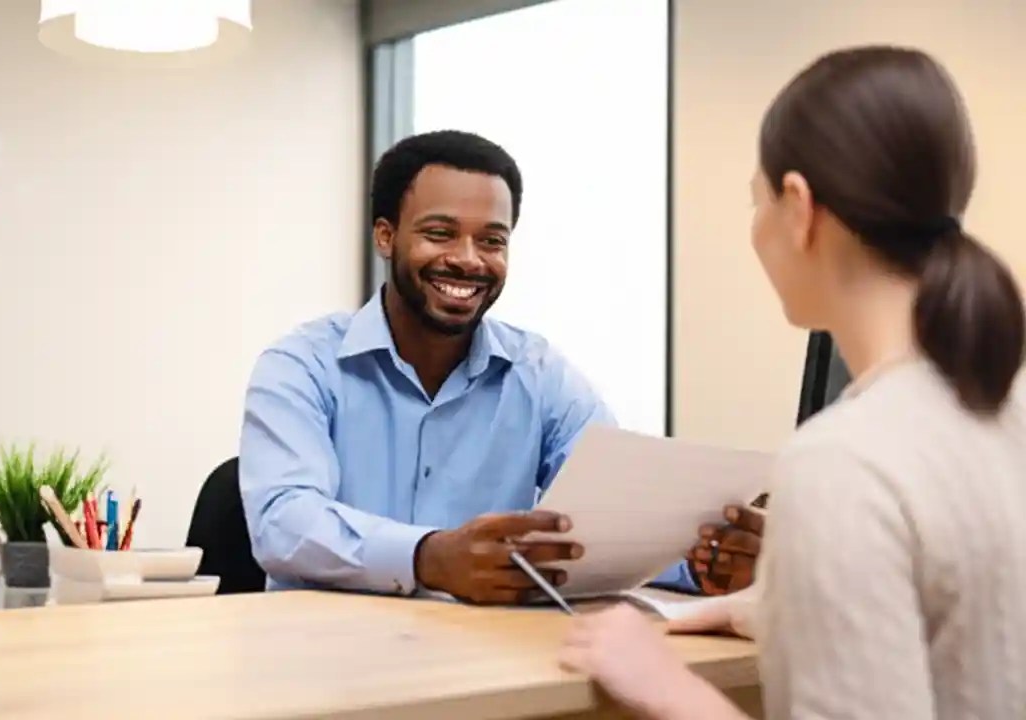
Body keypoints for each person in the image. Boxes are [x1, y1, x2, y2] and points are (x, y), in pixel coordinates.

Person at [559, 45, 1026, 719]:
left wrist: (664, 684)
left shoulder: (842, 463)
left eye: (758, 201)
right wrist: (791, 606)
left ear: (800, 207)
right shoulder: (1002, 411)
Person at [238, 129, 756, 604]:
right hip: (323, 665)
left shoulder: (540, 375)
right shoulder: (302, 365)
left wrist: (704, 565)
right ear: (384, 236)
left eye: (492, 240)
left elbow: (611, 526)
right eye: (439, 233)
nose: (468, 260)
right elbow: (283, 523)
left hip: (487, 663)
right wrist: (430, 558)